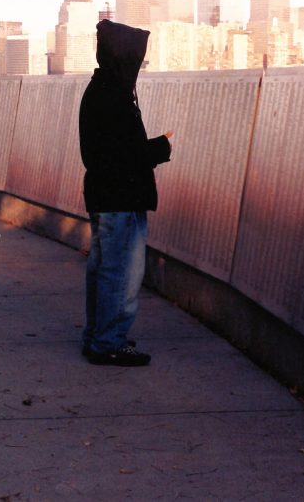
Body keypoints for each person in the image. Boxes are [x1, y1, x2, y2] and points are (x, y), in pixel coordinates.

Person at [78, 19, 173, 366]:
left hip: (106, 196)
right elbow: (120, 156)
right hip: (120, 199)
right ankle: (109, 342)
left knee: (103, 270)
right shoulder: (114, 96)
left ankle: (99, 335)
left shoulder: (101, 89)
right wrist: (160, 148)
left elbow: (106, 152)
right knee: (122, 275)